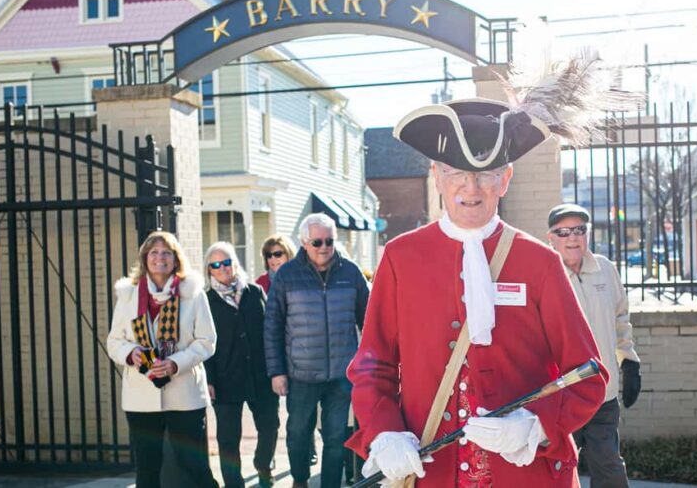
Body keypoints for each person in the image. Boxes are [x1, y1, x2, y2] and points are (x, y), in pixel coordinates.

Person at [346, 96, 613, 487]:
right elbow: (373, 366)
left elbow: (588, 376)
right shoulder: (401, 258)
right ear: (437, 176)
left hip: (525, 475)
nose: (471, 187)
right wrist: (384, 432)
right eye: (457, 172)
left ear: (505, 179)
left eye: (486, 174)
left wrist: (534, 426)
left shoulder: (539, 262)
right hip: (432, 473)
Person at [264, 213, 370, 488]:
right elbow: (272, 325)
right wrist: (277, 372)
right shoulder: (287, 275)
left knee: (336, 439)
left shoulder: (351, 272)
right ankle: (300, 480)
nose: (324, 247)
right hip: (301, 374)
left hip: (341, 375)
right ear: (303, 242)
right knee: (298, 434)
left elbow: (369, 322)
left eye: (329, 241)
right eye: (317, 242)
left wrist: (366, 365)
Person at [107, 231, 218, 488]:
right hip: (141, 397)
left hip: (185, 394)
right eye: (154, 252)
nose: (160, 258)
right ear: (145, 258)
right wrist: (130, 353)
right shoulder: (128, 296)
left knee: (194, 464)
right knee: (147, 467)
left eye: (166, 252)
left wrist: (176, 362)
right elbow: (114, 342)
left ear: (176, 259)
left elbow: (207, 340)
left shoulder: (193, 294)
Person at [547, 203, 641, 488]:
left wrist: (629, 360)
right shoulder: (544, 274)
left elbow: (620, 318)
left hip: (603, 394)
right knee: (559, 472)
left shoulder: (605, 269)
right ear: (550, 237)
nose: (572, 238)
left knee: (609, 468)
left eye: (579, 230)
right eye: (563, 232)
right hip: (563, 396)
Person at [203, 241, 279, 488]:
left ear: (235, 264)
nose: (223, 268)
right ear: (209, 270)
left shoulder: (254, 292)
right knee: (228, 440)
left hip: (260, 374)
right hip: (226, 378)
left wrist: (277, 370)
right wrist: (209, 379)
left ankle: (262, 464)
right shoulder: (206, 301)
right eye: (216, 264)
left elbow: (271, 331)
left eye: (227, 262)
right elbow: (204, 344)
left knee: (269, 428)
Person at [255, 234, 319, 467]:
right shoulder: (260, 284)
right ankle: (269, 456)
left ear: (289, 253)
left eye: (278, 253)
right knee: (274, 415)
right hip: (273, 353)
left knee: (302, 408)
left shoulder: (301, 277)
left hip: (299, 354)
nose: (273, 259)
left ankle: (308, 448)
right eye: (268, 255)